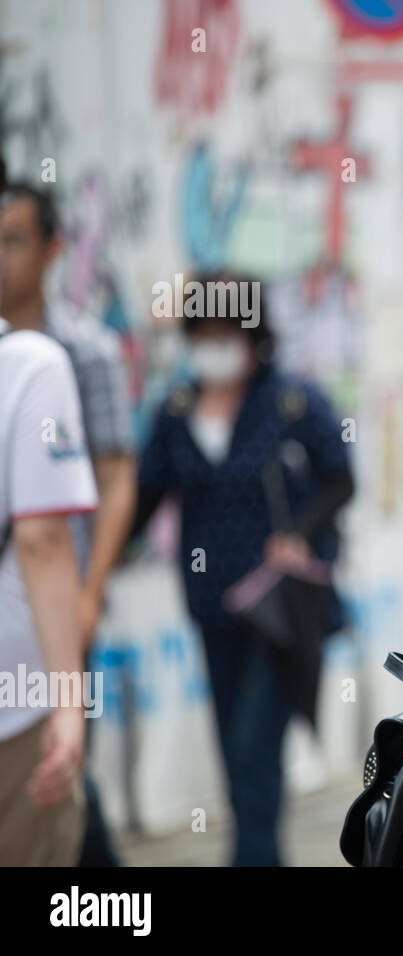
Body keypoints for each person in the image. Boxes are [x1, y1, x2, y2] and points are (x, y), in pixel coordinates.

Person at [130, 272, 354, 866]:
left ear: (254, 333)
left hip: (277, 610)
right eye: (202, 331)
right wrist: (92, 569)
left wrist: (298, 535)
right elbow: (144, 498)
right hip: (210, 606)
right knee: (235, 755)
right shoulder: (174, 412)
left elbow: (340, 477)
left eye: (227, 329)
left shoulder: (291, 401)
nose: (215, 342)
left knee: (256, 751)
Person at [0, 180, 135, 867]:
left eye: (15, 239)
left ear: (54, 249)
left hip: (52, 614)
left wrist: (87, 593)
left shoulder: (78, 353)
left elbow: (115, 482)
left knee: (61, 769)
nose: (2, 257)